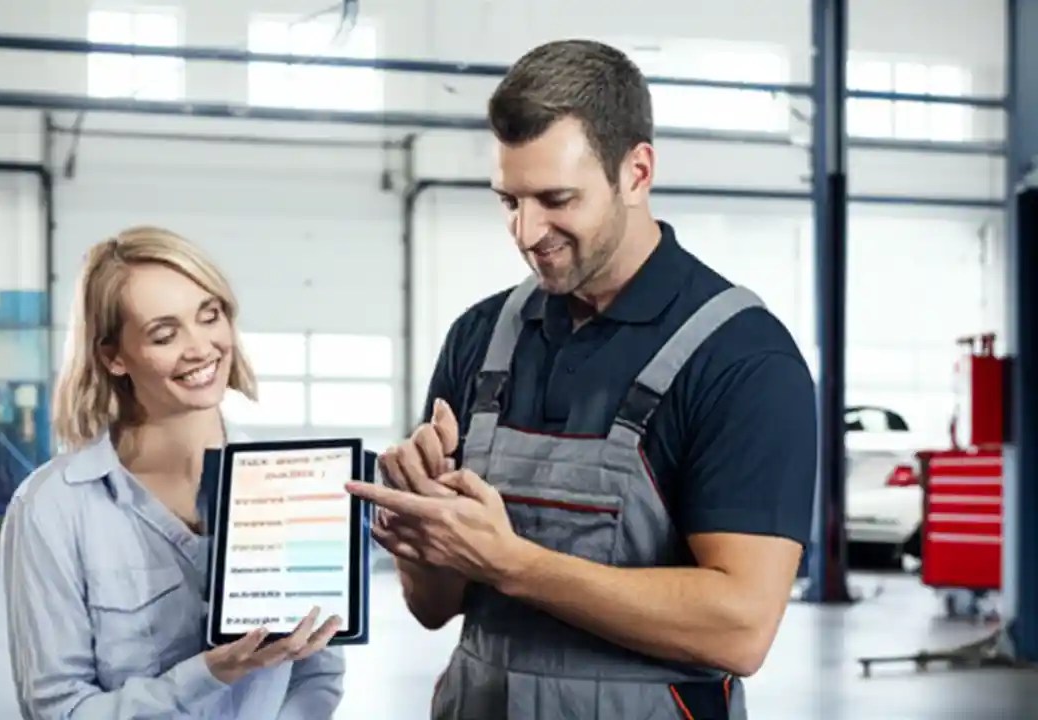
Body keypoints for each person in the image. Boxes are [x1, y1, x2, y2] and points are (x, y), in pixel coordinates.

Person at [345, 39, 817, 720]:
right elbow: (434, 608)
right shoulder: (480, 339)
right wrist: (425, 529)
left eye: (555, 199)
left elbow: (740, 629)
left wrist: (515, 564)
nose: (526, 231)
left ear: (637, 171)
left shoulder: (741, 359)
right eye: (508, 199)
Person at [1, 226, 345, 719]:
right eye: (164, 334)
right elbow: (58, 710)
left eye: (210, 316)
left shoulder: (292, 483)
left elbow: (318, 673)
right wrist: (208, 674)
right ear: (113, 357)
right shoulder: (52, 507)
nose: (201, 347)